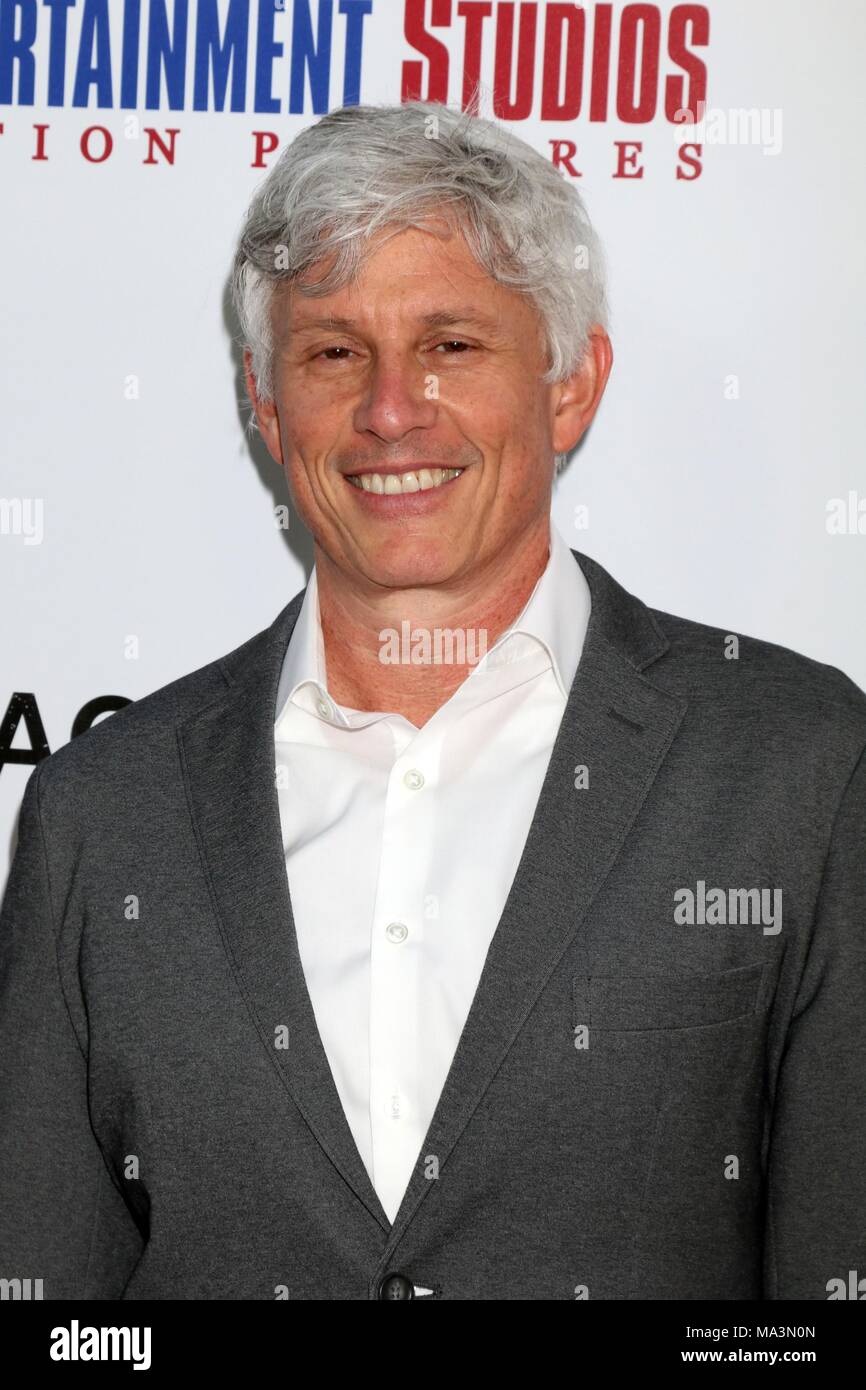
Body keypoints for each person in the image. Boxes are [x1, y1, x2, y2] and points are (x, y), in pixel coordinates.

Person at [1, 101, 864, 1301]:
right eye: (333, 351)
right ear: (264, 401)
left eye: (451, 344)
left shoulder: (794, 762)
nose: (390, 409)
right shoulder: (103, 809)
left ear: (569, 387)